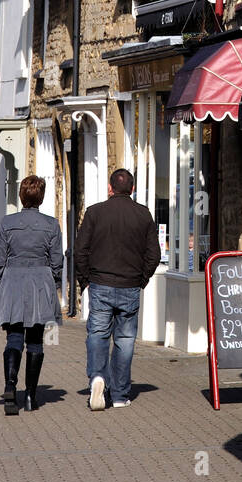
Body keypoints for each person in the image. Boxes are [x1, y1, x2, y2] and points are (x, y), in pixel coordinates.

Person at [76, 167, 160, 411]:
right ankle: (121, 394)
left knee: (98, 333)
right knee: (124, 339)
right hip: (130, 285)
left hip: (101, 283)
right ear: (132, 189)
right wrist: (141, 279)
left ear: (110, 188)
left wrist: (86, 280)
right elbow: (153, 254)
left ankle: (98, 377)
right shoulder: (143, 215)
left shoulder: (94, 213)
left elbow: (80, 250)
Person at [0, 175, 64, 415]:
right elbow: (57, 262)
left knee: (14, 338)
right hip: (40, 281)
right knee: (36, 340)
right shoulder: (51, 225)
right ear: (41, 197)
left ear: (21, 196)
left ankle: (11, 386)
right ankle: (30, 395)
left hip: (13, 280)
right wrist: (54, 285)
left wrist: (3, 280)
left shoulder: (7, 223)